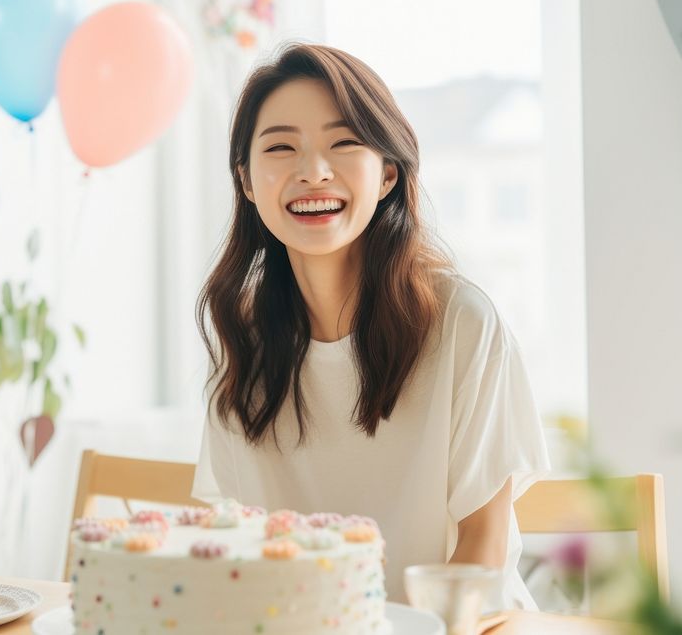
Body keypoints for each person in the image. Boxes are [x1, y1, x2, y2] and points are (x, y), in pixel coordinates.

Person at [192, 43, 550, 609]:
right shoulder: (243, 341)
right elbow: (244, 549)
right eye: (281, 147)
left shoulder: (463, 325)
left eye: (344, 143)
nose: (313, 171)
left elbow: (483, 546)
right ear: (247, 181)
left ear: (387, 173)